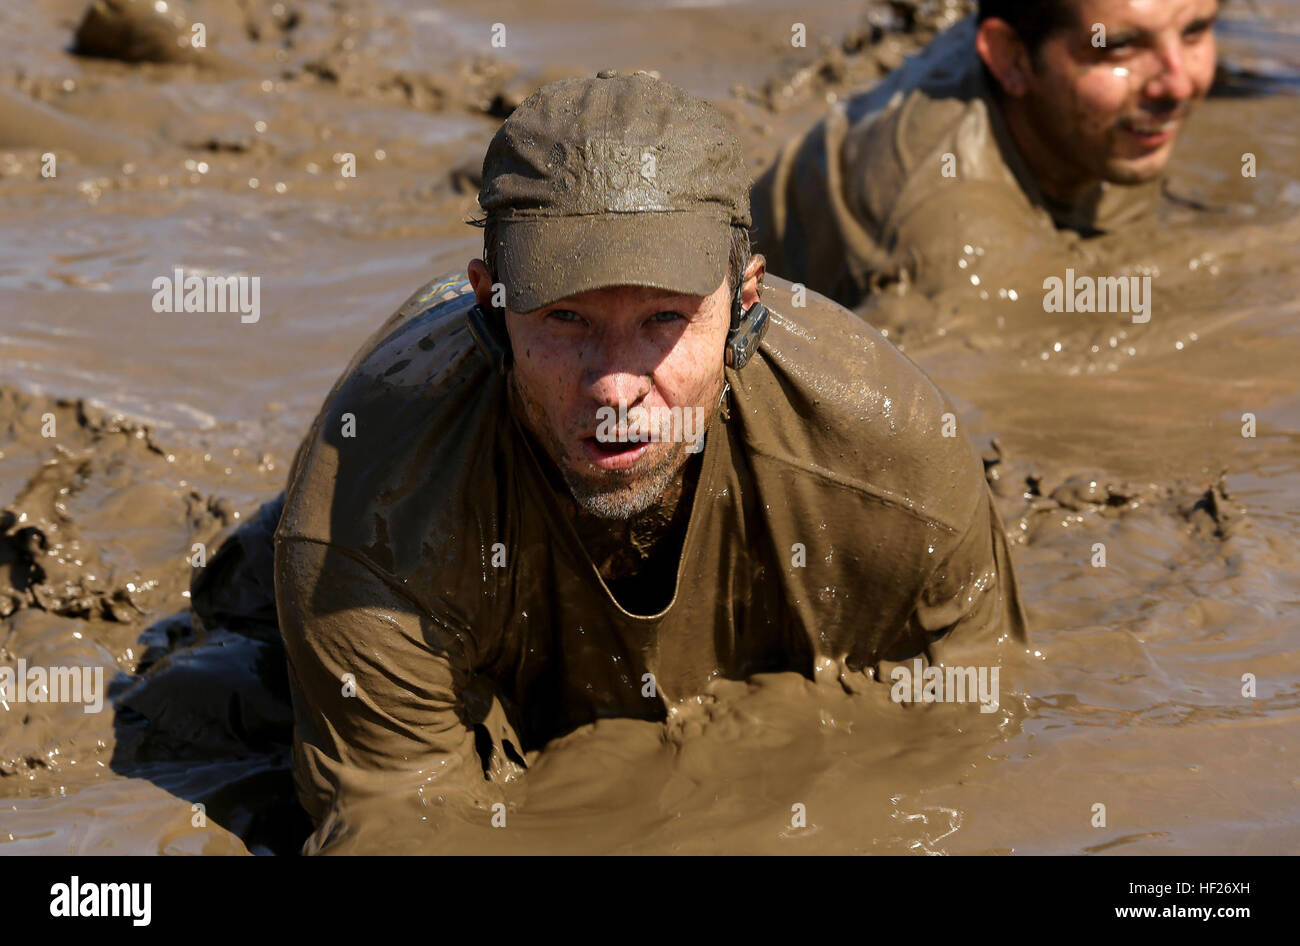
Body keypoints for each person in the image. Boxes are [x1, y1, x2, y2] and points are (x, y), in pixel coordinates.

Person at [272, 70, 1028, 852]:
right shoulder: (367, 514)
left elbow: (969, 735)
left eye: (663, 319)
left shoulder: (891, 461)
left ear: (745, 305)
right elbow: (404, 824)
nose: (617, 386)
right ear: (491, 308)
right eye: (566, 319)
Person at [750, 0, 1219, 310]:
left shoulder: (1085, 98)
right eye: (1118, 48)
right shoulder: (951, 241)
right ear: (1010, 59)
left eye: (1196, 31)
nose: (1179, 83)